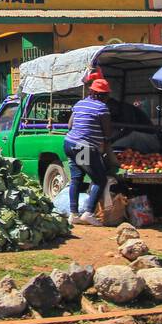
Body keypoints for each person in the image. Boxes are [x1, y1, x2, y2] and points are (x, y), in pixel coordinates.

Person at [63, 78, 114, 226]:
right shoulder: (102, 108)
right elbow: (108, 132)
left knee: (77, 178)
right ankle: (88, 213)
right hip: (82, 147)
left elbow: (70, 125)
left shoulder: (80, 103)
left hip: (68, 144)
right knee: (100, 179)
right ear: (104, 95)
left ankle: (73, 214)